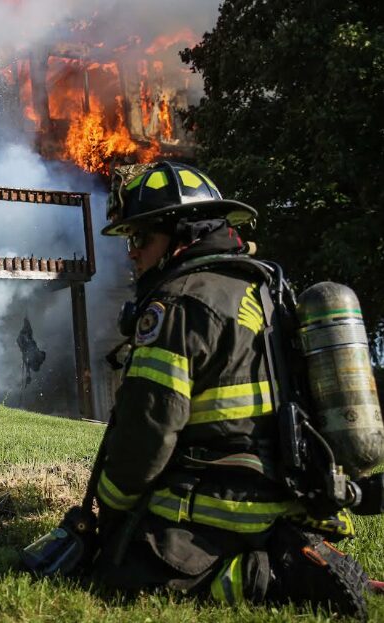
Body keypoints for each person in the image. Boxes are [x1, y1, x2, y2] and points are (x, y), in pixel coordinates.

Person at [63, 162, 370, 617]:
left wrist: (109, 508)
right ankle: (290, 547)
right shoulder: (267, 287)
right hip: (291, 494)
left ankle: (274, 576)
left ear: (179, 234)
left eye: (140, 238)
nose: (132, 253)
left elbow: (148, 431)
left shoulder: (179, 302)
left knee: (125, 572)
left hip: (231, 503)